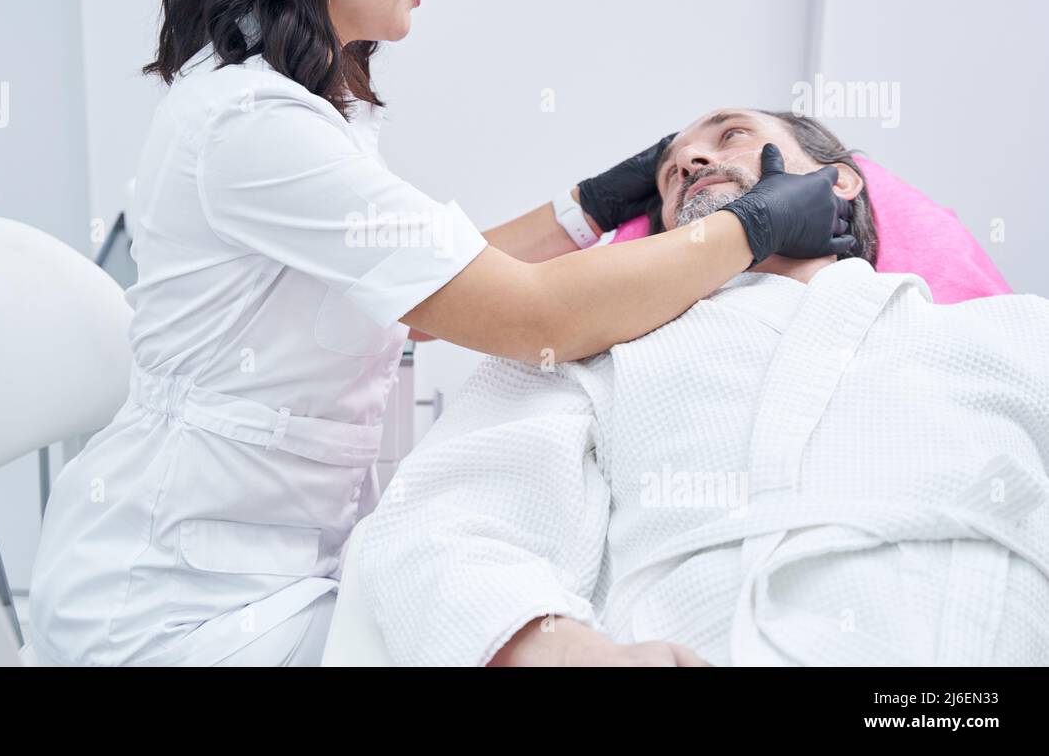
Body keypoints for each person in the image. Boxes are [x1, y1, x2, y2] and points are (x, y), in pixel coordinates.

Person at [27, 0, 849, 667]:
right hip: (171, 611)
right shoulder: (253, 129)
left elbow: (423, 288)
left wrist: (595, 205)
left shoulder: (309, 110)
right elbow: (533, 319)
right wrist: (748, 229)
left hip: (270, 565)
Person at [356, 108, 1049, 666]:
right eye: (667, 174)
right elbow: (444, 526)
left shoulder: (1014, 334)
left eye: (732, 134)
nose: (687, 161)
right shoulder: (592, 352)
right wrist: (566, 651)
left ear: (838, 183)